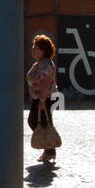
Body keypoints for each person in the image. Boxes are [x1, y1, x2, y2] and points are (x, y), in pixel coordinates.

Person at [26, 33, 59, 163]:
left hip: (44, 98)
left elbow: (45, 83)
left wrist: (42, 101)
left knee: (36, 121)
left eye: (35, 48)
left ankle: (50, 149)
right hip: (40, 97)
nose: (32, 49)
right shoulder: (40, 63)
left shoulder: (45, 64)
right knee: (42, 122)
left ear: (43, 50)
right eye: (33, 47)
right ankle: (49, 150)